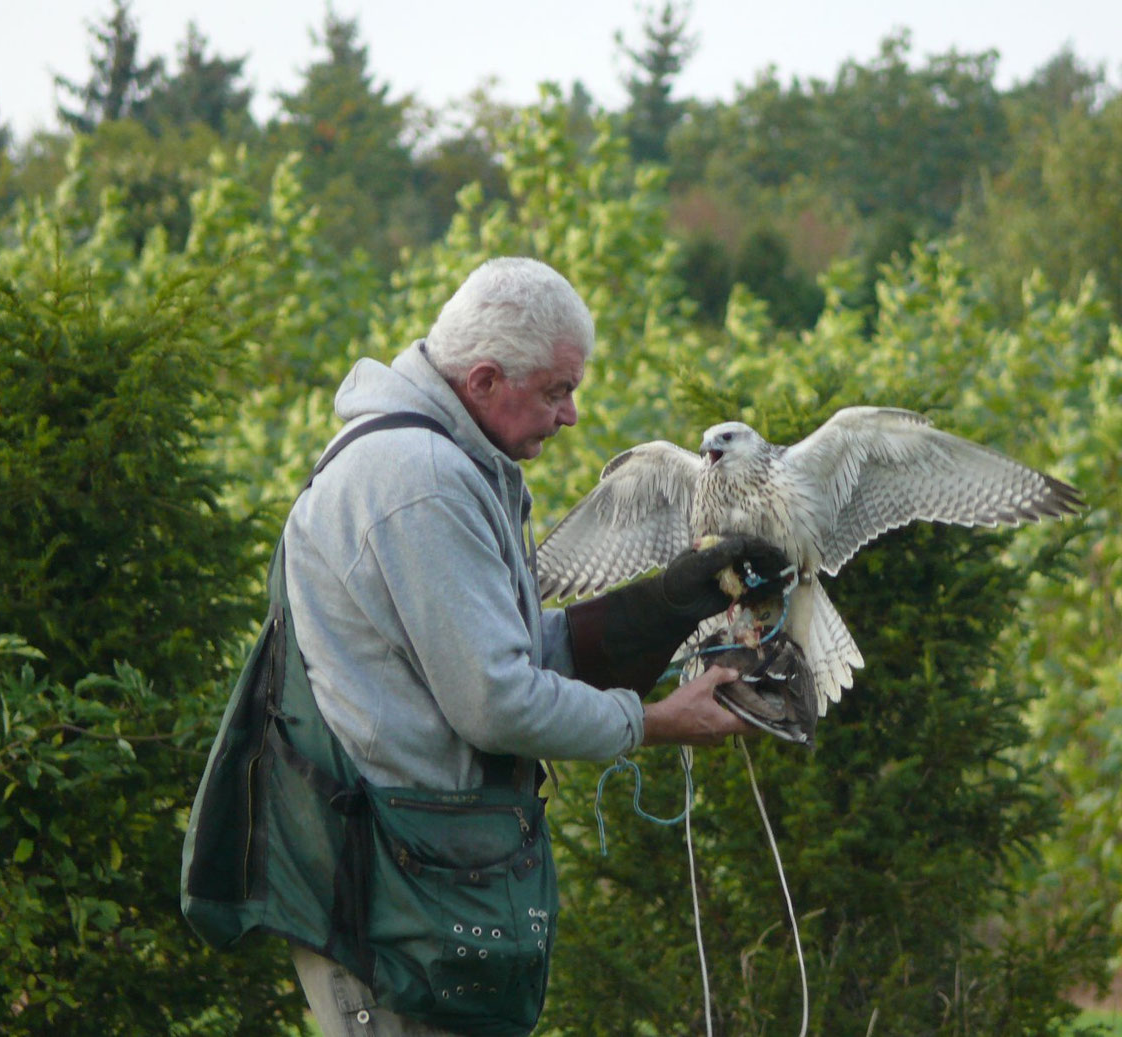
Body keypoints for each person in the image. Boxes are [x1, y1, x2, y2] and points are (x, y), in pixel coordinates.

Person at [281, 256, 783, 1034]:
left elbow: (502, 652)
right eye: (557, 391)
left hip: (427, 876)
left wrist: (664, 604)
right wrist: (653, 721)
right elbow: (497, 700)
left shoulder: (447, 458)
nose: (571, 414)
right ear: (484, 380)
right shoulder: (419, 479)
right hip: (389, 900)